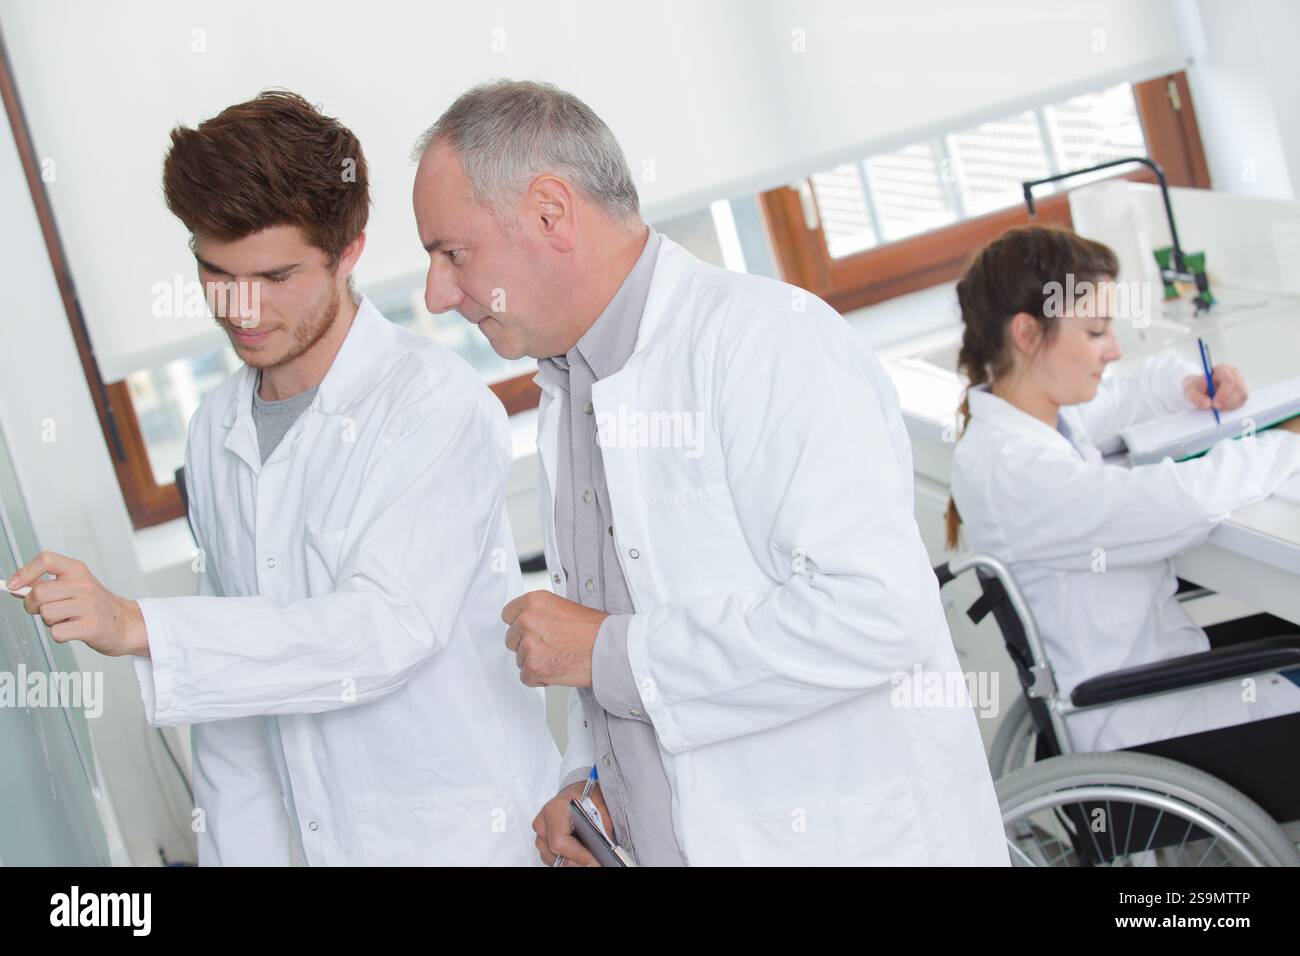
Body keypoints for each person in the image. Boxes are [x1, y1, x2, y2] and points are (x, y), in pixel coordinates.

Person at [410, 79, 1008, 866]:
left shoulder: (768, 343)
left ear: (551, 213)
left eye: (453, 253)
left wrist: (608, 653)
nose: (437, 293)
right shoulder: (569, 396)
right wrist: (591, 785)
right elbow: (614, 652)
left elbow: (877, 614)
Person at [9, 91, 557, 865]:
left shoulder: (433, 404)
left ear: (349, 251)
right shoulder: (214, 429)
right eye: (214, 272)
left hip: (463, 843)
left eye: (274, 275)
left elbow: (380, 632)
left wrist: (141, 627)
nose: (241, 308)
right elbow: (235, 724)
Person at [946, 224, 1300, 753]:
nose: (1112, 349)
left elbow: (1127, 393)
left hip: (1157, 684)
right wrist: (1282, 442)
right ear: (1026, 334)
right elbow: (1184, 502)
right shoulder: (1015, 471)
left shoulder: (1031, 421)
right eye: (1094, 332)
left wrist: (1187, 385)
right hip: (1149, 723)